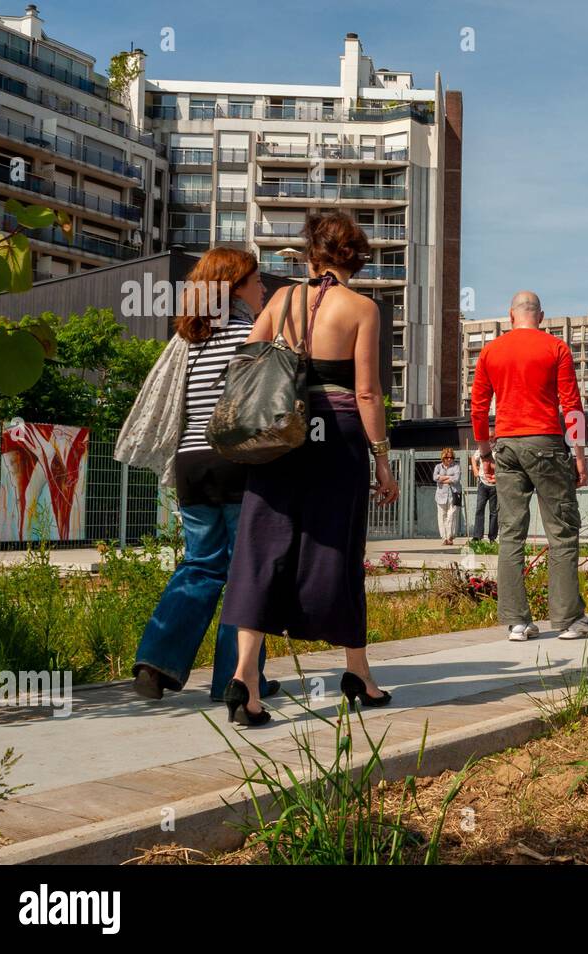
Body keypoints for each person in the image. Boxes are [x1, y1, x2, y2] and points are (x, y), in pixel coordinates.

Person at [219, 212, 400, 725]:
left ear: (313, 254)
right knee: (337, 552)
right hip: (335, 439)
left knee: (261, 549)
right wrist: (382, 461)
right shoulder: (361, 309)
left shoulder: (279, 299)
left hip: (278, 436)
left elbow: (250, 359)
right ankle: (358, 673)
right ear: (356, 258)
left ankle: (245, 678)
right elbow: (366, 392)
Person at [129, 248, 278, 704]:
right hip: (236, 463)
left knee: (200, 562)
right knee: (244, 572)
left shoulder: (186, 342)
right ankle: (236, 679)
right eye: (255, 282)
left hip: (190, 464)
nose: (263, 289)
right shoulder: (250, 336)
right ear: (234, 287)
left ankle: (156, 663)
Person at [470, 291, 588, 642]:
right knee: (561, 530)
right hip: (545, 441)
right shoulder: (555, 348)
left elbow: (479, 408)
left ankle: (517, 622)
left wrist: (485, 453)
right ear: (540, 316)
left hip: (507, 445)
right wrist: (579, 454)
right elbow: (571, 404)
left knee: (510, 532)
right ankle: (569, 620)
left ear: (510, 316)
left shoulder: (490, 351)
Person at [470, 438, 498, 542]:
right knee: (479, 509)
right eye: (489, 438)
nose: (491, 440)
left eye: (493, 438)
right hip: (483, 483)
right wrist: (475, 470)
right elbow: (473, 458)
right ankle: (477, 536)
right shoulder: (483, 448)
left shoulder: (499, 450)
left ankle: (492, 537)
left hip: (495, 484)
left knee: (494, 512)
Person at [434, 448, 461, 545]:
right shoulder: (438, 467)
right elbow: (435, 477)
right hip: (441, 495)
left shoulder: (456, 467)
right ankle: (444, 538)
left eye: (451, 457)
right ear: (443, 457)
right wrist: (449, 478)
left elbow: (456, 479)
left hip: (454, 494)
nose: (449, 459)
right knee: (442, 516)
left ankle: (450, 536)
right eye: (447, 457)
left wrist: (442, 479)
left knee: (451, 515)